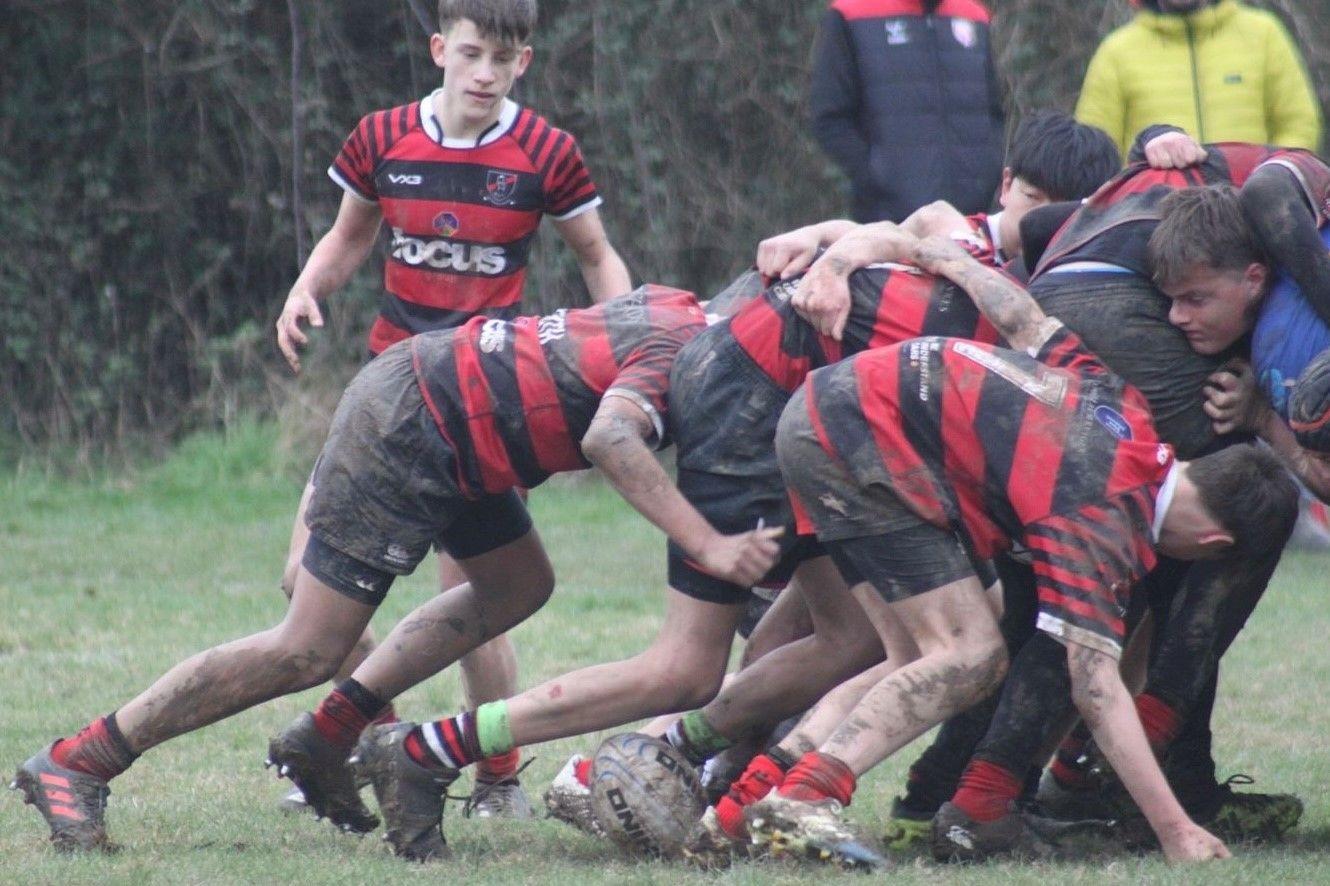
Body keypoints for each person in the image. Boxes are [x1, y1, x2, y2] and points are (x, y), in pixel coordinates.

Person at [263, 111, 1122, 858]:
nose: (1047, 229)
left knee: (849, 637)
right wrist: (851, 246)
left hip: (809, 419)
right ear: (1009, 187)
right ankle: (445, 751)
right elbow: (916, 236)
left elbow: (905, 248)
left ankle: (718, 774)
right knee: (689, 665)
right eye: (1037, 206)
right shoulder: (968, 249)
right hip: (754, 410)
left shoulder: (998, 264)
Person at [10, 286, 783, 856]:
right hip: (414, 419)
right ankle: (78, 761)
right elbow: (610, 439)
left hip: (455, 422)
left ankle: (333, 732)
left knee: (519, 584)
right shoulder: (691, 352)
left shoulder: (689, 310)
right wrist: (711, 548)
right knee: (307, 646)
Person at [743, 233, 1297, 867]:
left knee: (921, 652)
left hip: (834, 405)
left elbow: (1023, 318)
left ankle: (748, 799)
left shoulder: (1128, 412)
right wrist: (1177, 831)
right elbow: (1097, 691)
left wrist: (938, 255)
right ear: (1212, 544)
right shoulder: (1105, 520)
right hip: (856, 435)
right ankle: (804, 799)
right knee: (970, 654)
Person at [270, 0, 632, 816]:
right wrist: (306, 287)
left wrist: (626, 350)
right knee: (302, 580)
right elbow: (350, 235)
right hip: (386, 402)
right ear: (439, 49)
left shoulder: (548, 153)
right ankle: (368, 743)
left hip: (484, 406)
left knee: (474, 603)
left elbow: (598, 256)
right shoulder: (382, 137)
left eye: (503, 60)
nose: (485, 74)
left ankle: (497, 778)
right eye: (471, 54)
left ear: (524, 62)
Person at [809, 0, 1005, 223]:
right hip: (888, 223)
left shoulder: (973, 15)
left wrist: (988, 173)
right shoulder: (851, 13)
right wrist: (875, 176)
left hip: (971, 218)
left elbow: (993, 112)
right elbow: (830, 117)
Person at [1075, 0, 1322, 159]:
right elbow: (1093, 153)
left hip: (1252, 218)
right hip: (1153, 226)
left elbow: (1298, 125)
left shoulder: (1263, 34)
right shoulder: (1116, 52)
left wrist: (1271, 181)